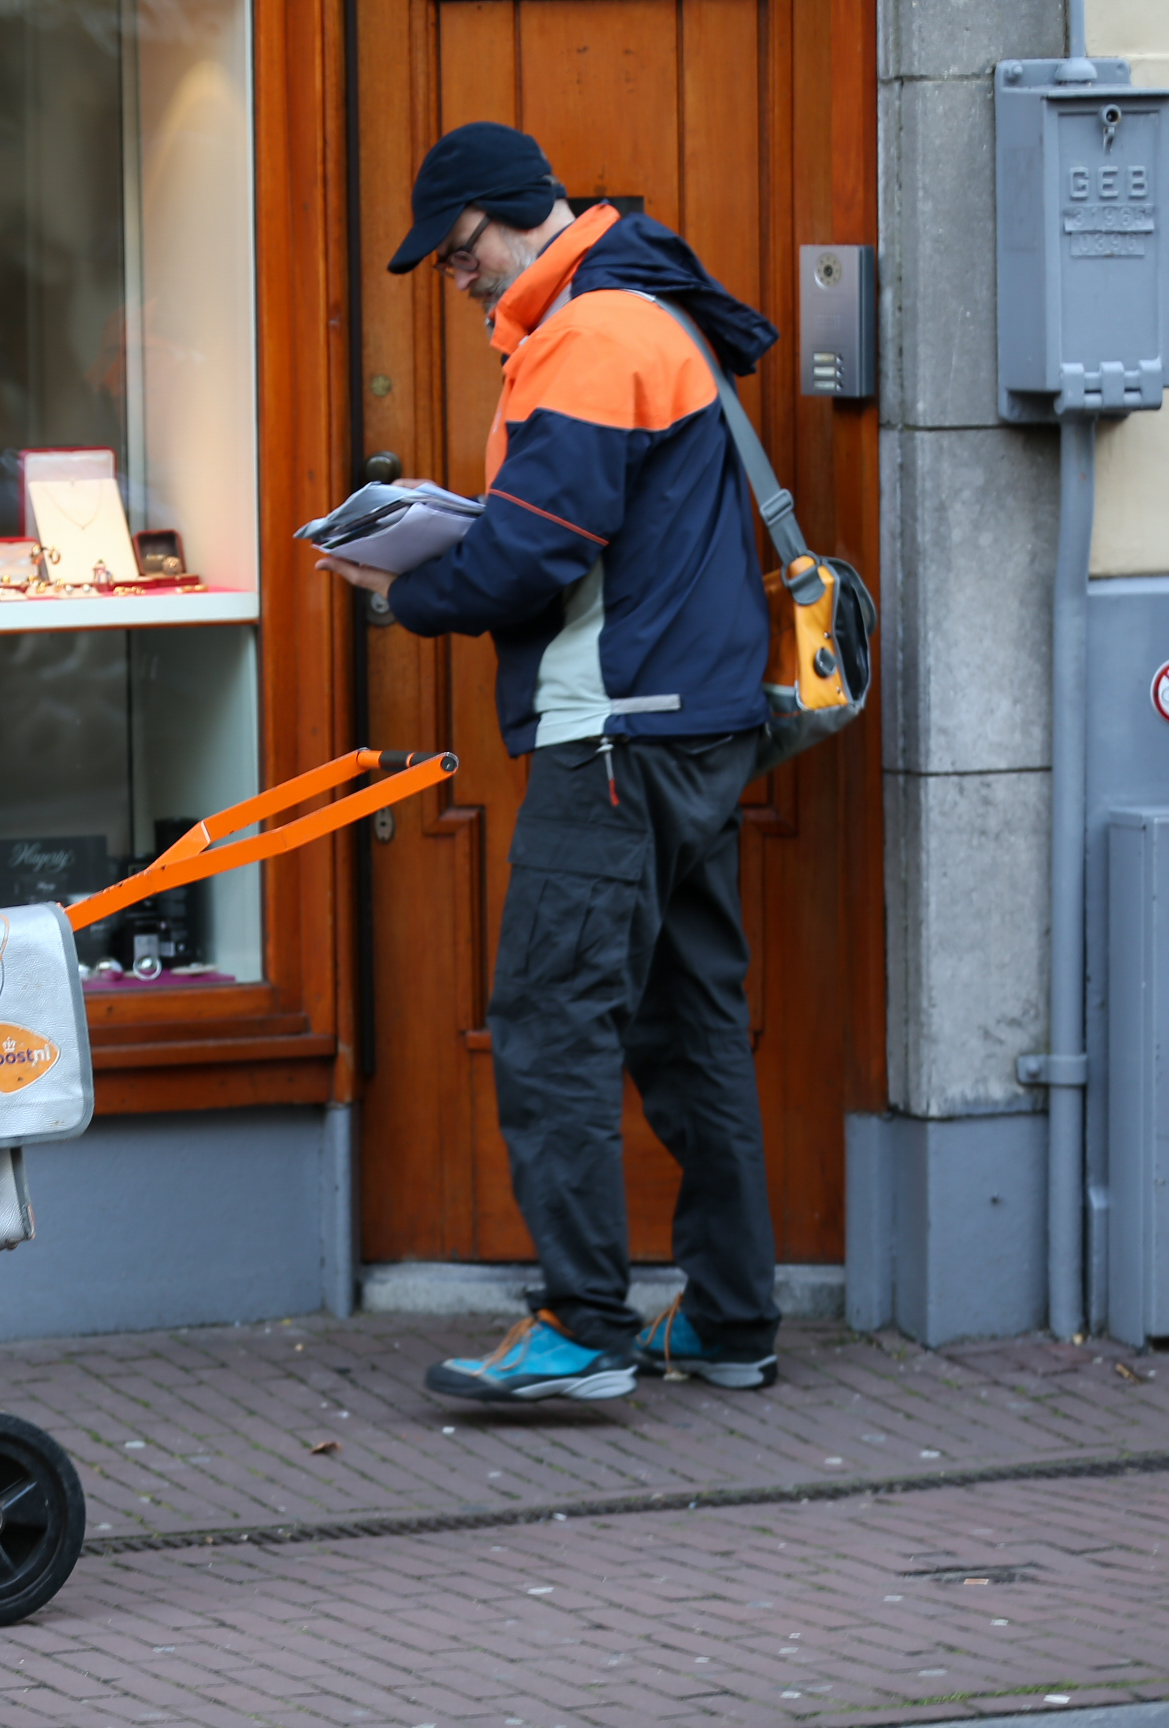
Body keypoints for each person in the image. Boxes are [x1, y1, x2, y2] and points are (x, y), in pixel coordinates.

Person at [319, 122, 783, 1404]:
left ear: (518, 216)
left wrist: (394, 590)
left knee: (547, 1022)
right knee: (690, 1029)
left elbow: (535, 552)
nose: (453, 275)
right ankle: (733, 1320)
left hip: (615, 733)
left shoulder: (590, 333)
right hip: (694, 722)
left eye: (458, 248)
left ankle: (584, 1326)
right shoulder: (647, 311)